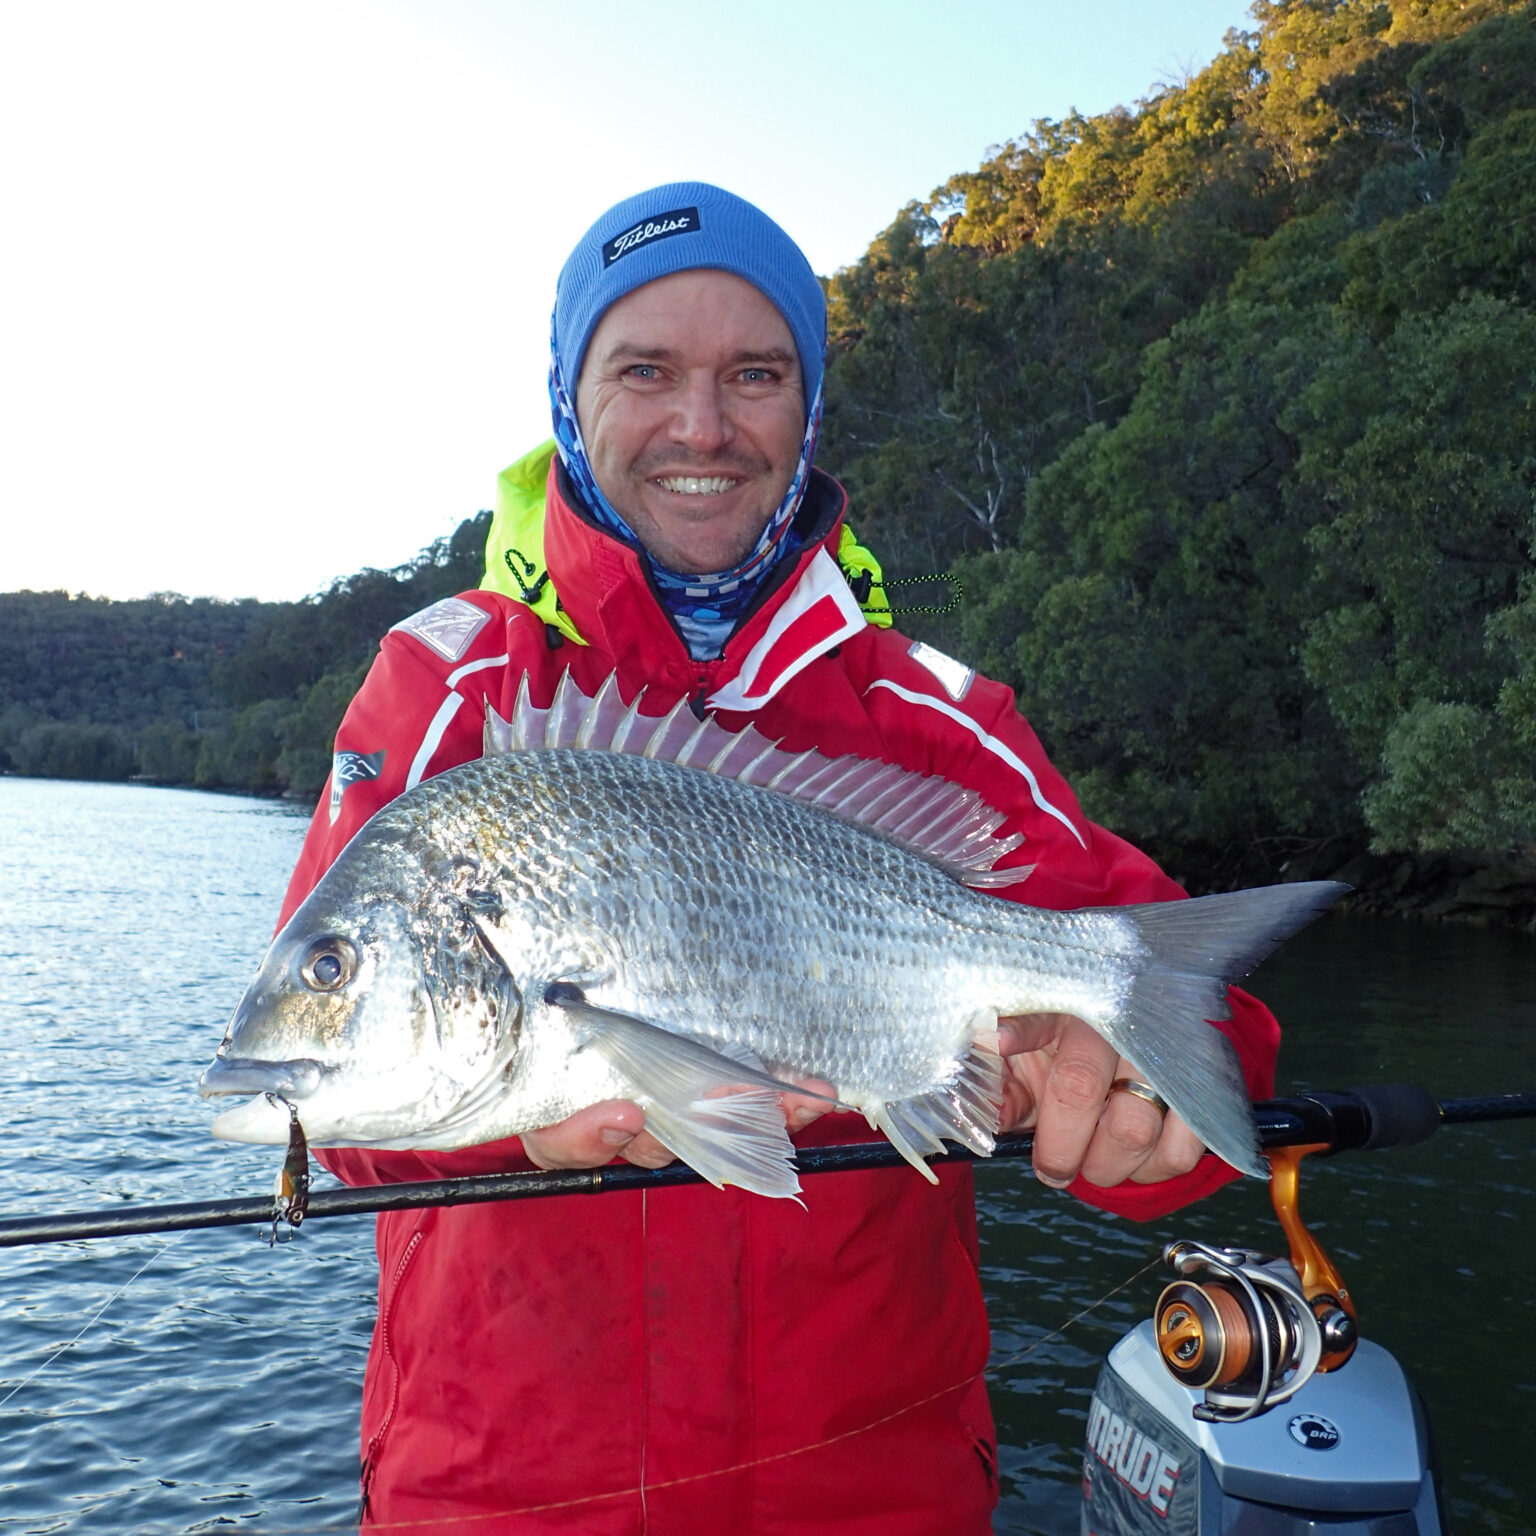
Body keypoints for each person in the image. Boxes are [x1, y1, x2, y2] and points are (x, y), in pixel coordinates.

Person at [277, 182, 1280, 1534]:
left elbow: (1208, 1027)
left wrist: (1132, 1116)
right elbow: (323, 1097)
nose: (703, 426)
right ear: (571, 399)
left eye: (754, 374)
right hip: (502, 1497)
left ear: (805, 411)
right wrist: (514, 1131)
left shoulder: (934, 722)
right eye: (647, 372)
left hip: (871, 1494)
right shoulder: (443, 697)